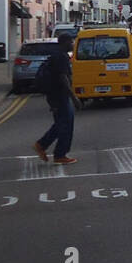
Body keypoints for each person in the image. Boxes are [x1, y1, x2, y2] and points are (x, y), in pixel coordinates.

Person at [33, 32, 82, 164]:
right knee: (66, 124)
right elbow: (63, 78)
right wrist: (74, 97)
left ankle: (42, 145)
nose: (73, 44)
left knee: (62, 123)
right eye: (71, 42)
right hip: (59, 96)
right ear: (64, 43)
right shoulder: (61, 57)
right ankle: (59, 155)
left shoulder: (59, 55)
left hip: (56, 95)